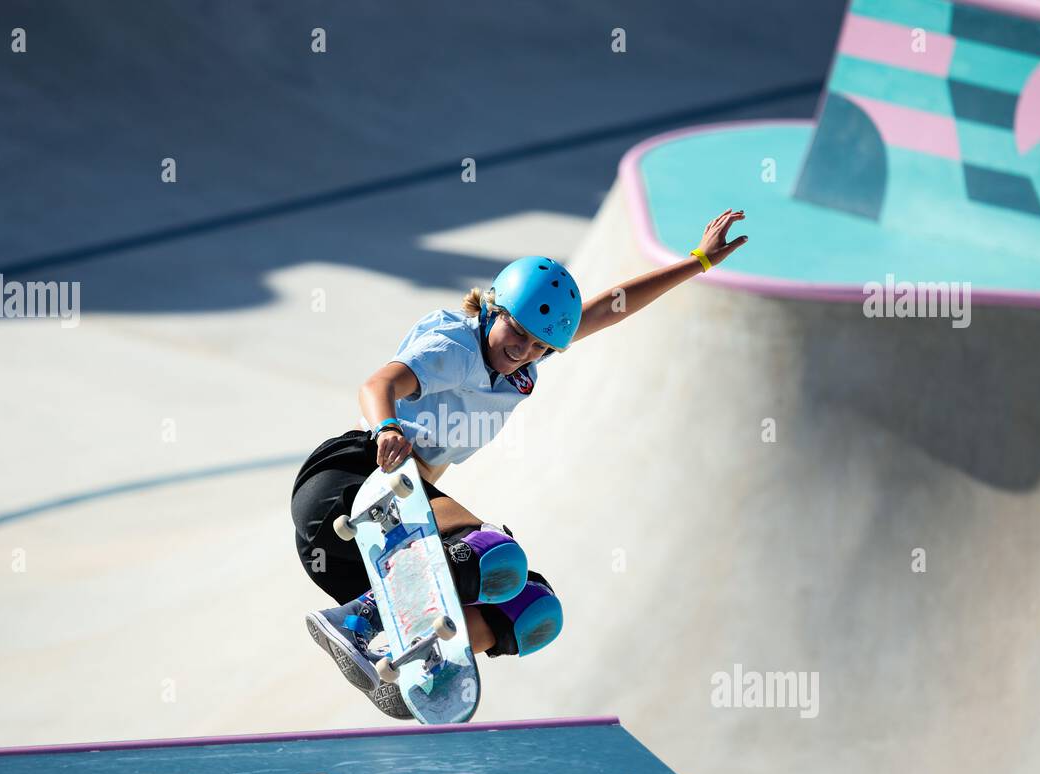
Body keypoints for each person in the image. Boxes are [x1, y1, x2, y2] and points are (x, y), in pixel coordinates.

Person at [290, 210, 748, 718]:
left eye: (537, 346)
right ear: (493, 307)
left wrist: (699, 261)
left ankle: (410, 651)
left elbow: (608, 310)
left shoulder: (518, 364)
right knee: (492, 554)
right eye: (517, 332)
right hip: (348, 487)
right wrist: (389, 428)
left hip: (363, 555)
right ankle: (357, 623)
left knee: (531, 607)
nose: (522, 351)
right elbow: (378, 385)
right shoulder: (455, 346)